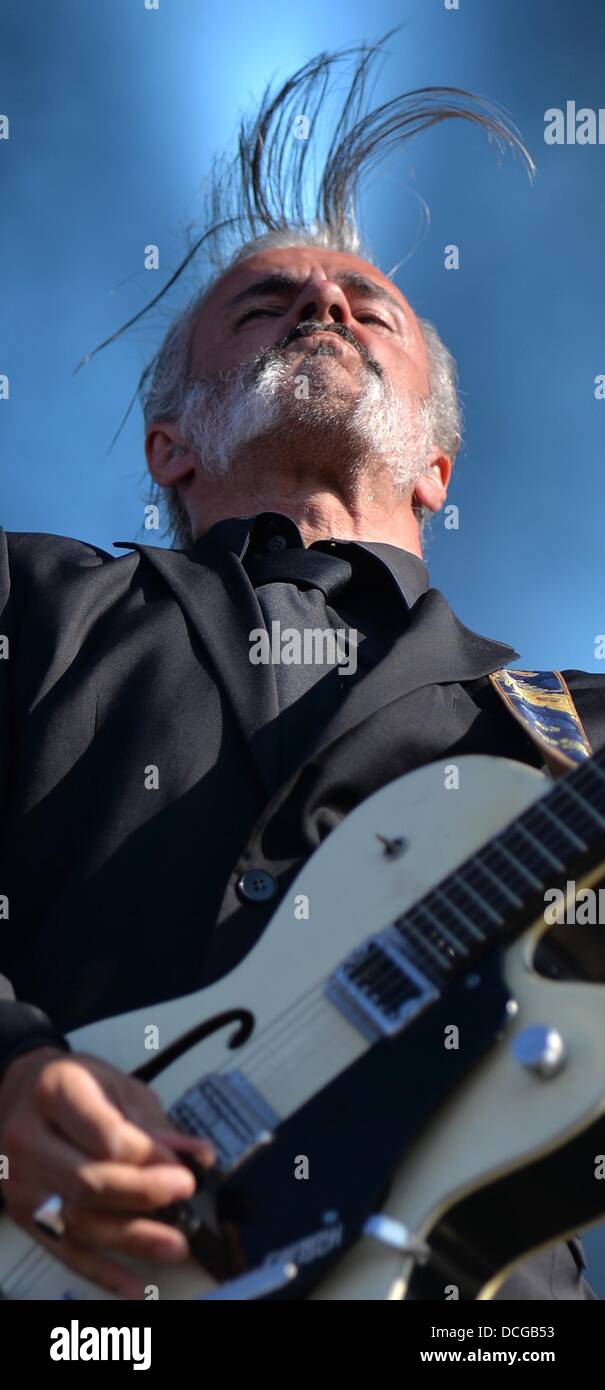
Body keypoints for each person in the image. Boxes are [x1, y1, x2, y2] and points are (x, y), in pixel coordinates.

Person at [0, 39, 602, 1302]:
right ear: (169, 443)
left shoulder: (571, 736)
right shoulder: (30, 602)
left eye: (365, 305)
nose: (323, 306)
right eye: (264, 304)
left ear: (437, 466)